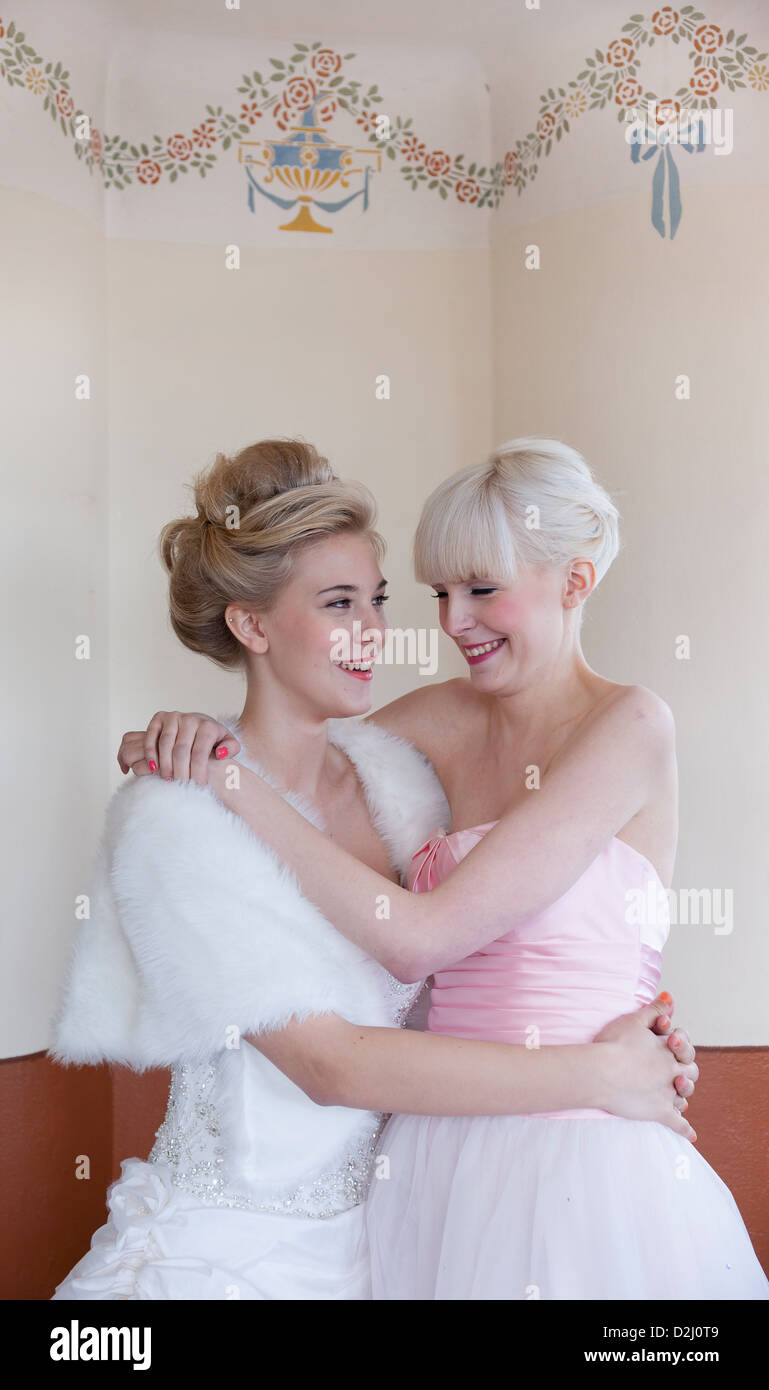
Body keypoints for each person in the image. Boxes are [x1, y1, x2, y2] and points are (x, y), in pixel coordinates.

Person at [49, 439, 694, 1302]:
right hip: (258, 1239)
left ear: (572, 582)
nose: (431, 626)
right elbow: (336, 1062)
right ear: (251, 623)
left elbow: (458, 949)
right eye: (341, 603)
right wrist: (196, 754)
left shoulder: (405, 775)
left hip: (422, 1213)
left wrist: (630, 1029)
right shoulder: (202, 811)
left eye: (377, 601)